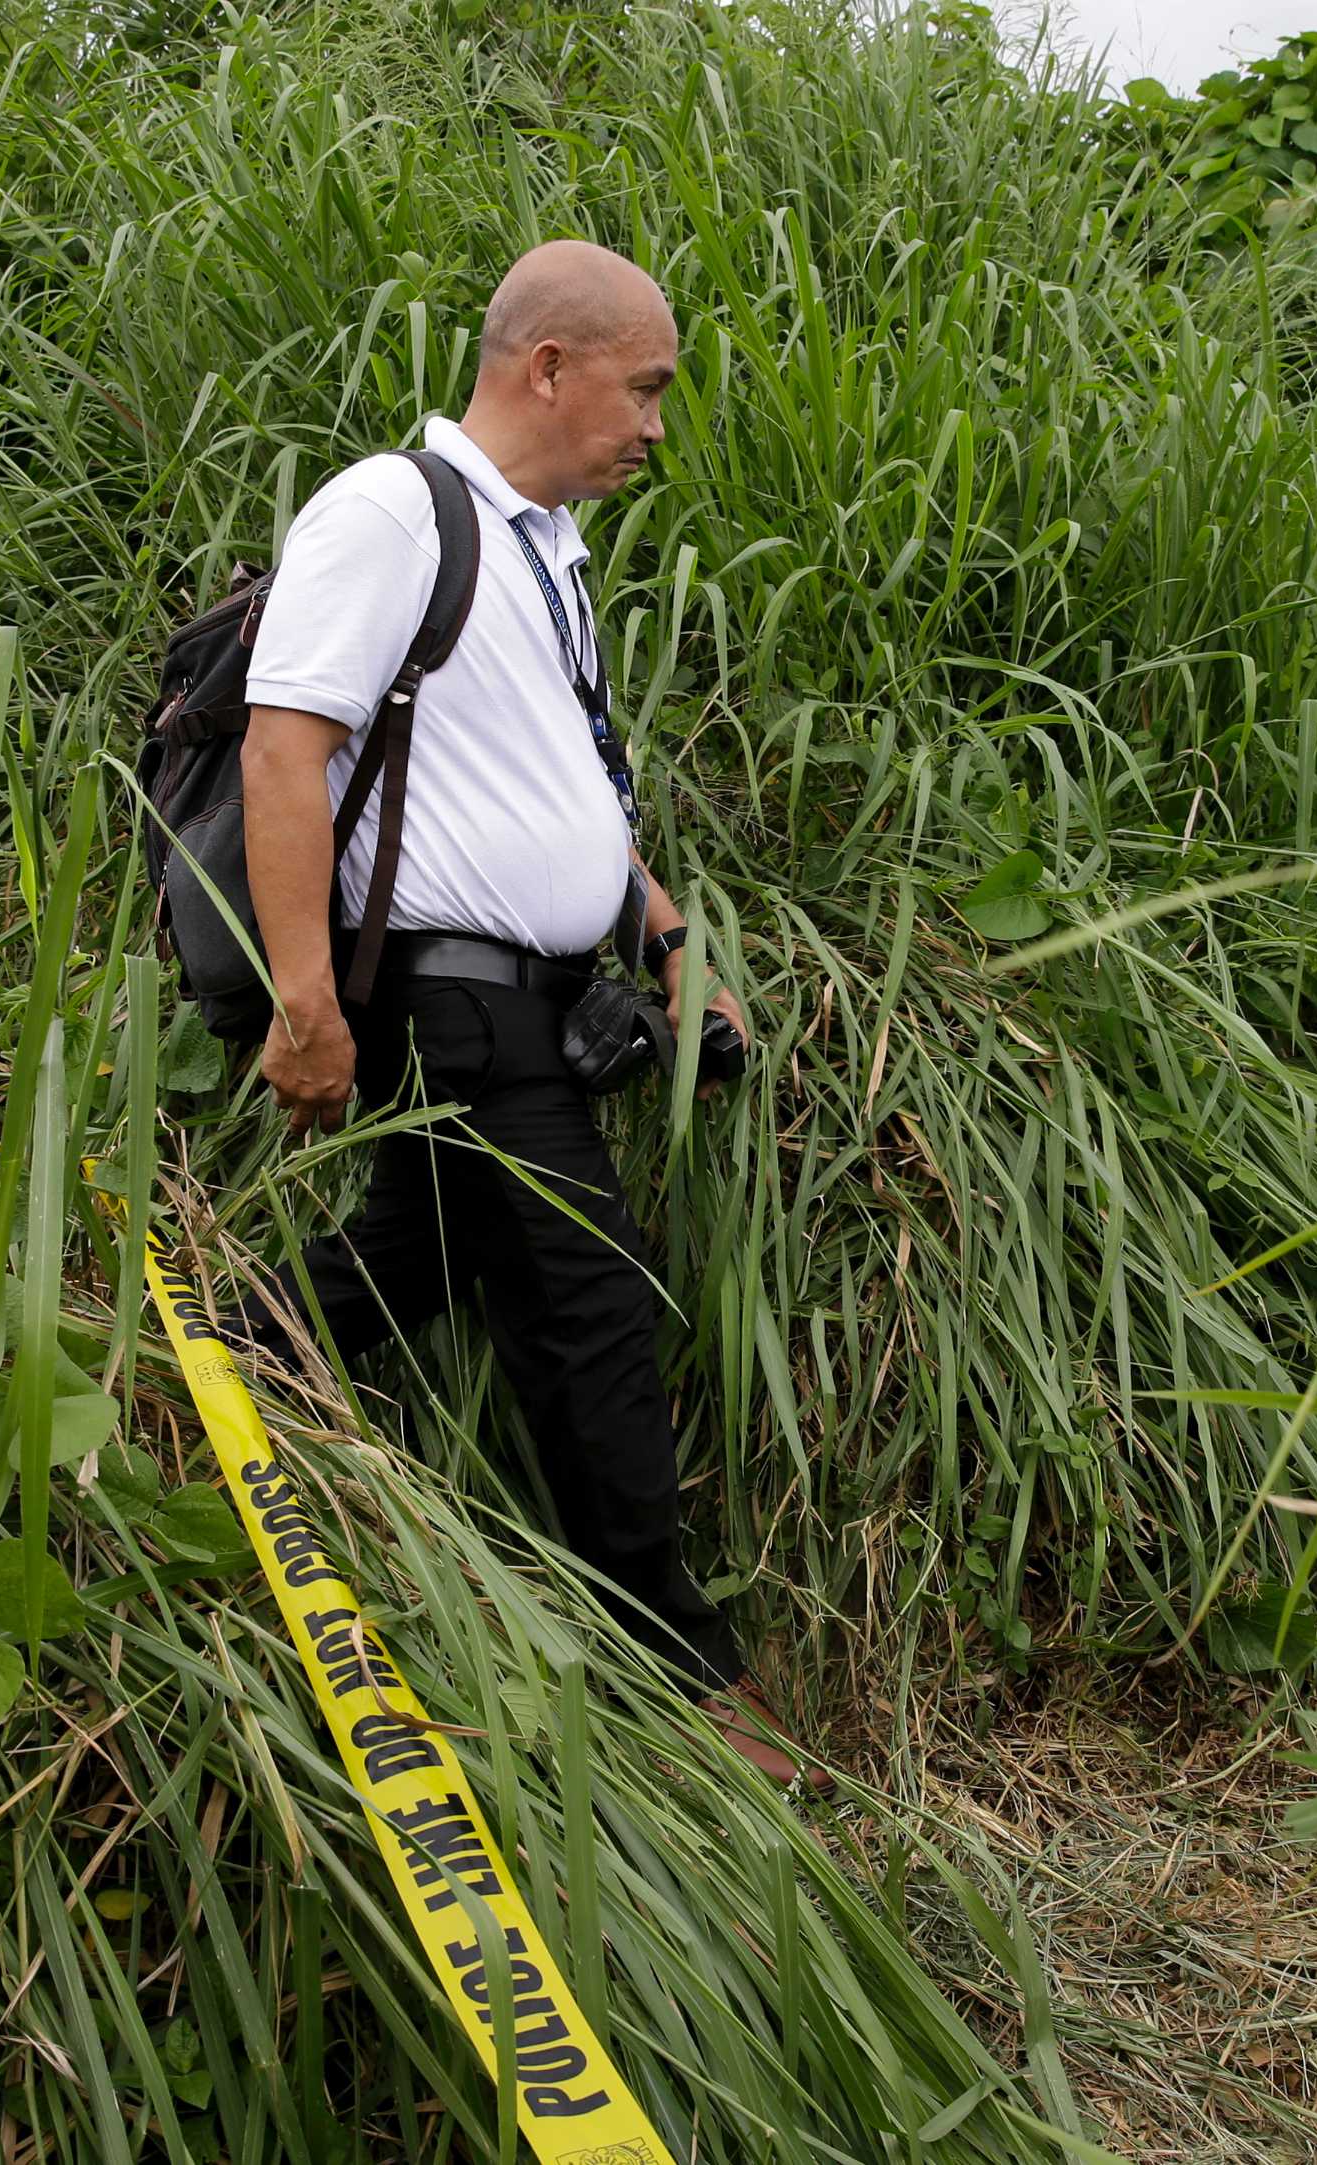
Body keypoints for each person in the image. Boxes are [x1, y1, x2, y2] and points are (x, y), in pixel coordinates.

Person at [234, 239, 816, 1790]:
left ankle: (204, 1372)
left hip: (535, 999)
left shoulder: (542, 547)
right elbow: (285, 743)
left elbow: (561, 787)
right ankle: (683, 1678)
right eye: (645, 390)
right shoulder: (387, 513)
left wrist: (675, 937)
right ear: (546, 367)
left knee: (406, 1268)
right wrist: (306, 1002)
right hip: (450, 1004)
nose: (655, 429)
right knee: (592, 1312)